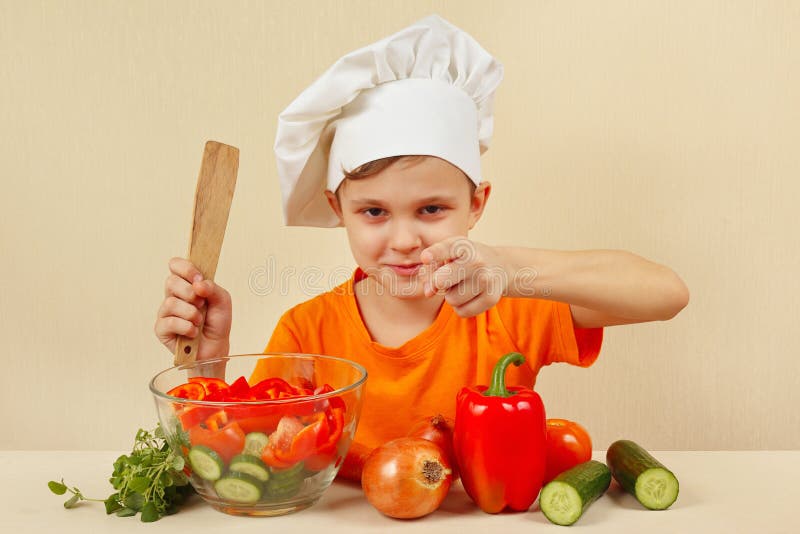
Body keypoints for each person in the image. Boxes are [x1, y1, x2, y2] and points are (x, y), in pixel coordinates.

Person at [155, 15, 688, 477]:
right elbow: (235, 460)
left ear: (476, 203)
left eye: (432, 210)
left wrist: (509, 268)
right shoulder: (307, 334)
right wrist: (207, 370)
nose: (405, 241)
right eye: (374, 212)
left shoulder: (509, 308)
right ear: (337, 208)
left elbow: (666, 293)